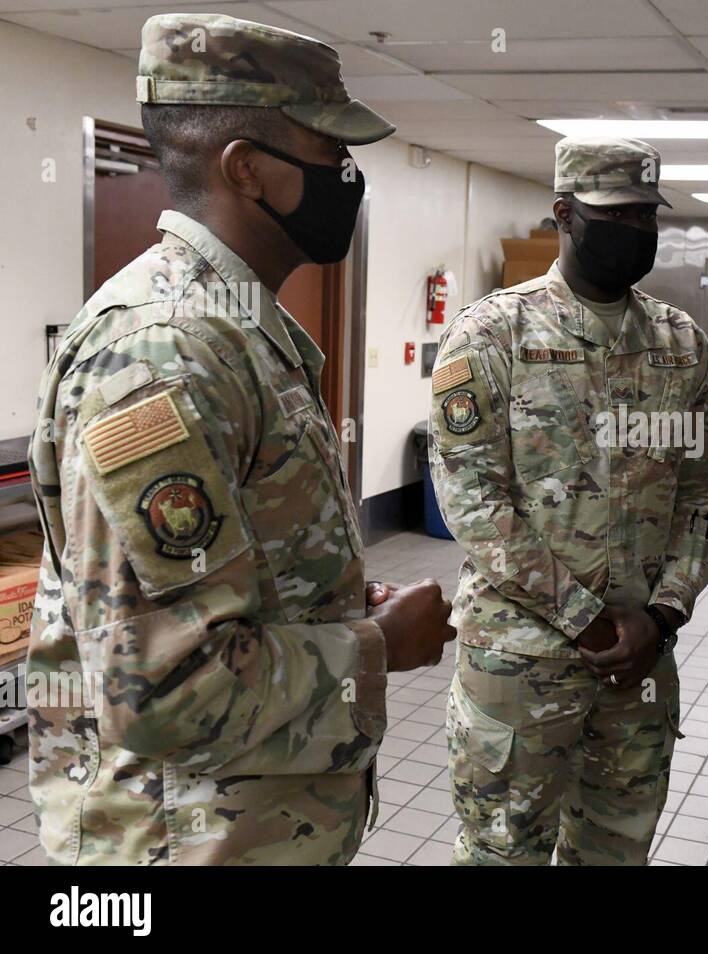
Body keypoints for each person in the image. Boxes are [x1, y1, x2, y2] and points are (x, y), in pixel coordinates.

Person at [25, 13, 454, 866]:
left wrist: (326, 603)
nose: (348, 179)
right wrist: (377, 647)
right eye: (332, 155)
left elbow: (217, 584)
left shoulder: (236, 328)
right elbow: (161, 686)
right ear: (247, 169)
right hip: (180, 841)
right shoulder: (166, 350)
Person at [428, 135, 708, 865]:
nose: (636, 233)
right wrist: (587, 622)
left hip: (639, 668)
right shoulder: (491, 333)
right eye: (616, 215)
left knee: (616, 853)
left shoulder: (681, 344)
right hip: (521, 665)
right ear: (564, 213)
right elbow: (474, 504)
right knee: (503, 854)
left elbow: (702, 496)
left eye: (648, 218)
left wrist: (663, 615)